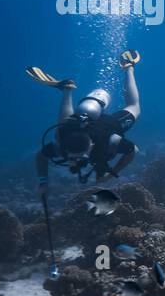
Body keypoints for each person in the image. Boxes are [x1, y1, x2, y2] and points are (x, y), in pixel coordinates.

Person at [29, 50, 142, 196]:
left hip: (107, 126)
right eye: (73, 158)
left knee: (134, 107)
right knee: (64, 128)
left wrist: (112, 173)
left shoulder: (110, 139)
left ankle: (129, 68)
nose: (75, 162)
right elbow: (41, 156)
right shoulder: (62, 144)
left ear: (92, 146)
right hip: (74, 124)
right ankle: (66, 91)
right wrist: (43, 182)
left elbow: (133, 150)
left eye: (78, 158)